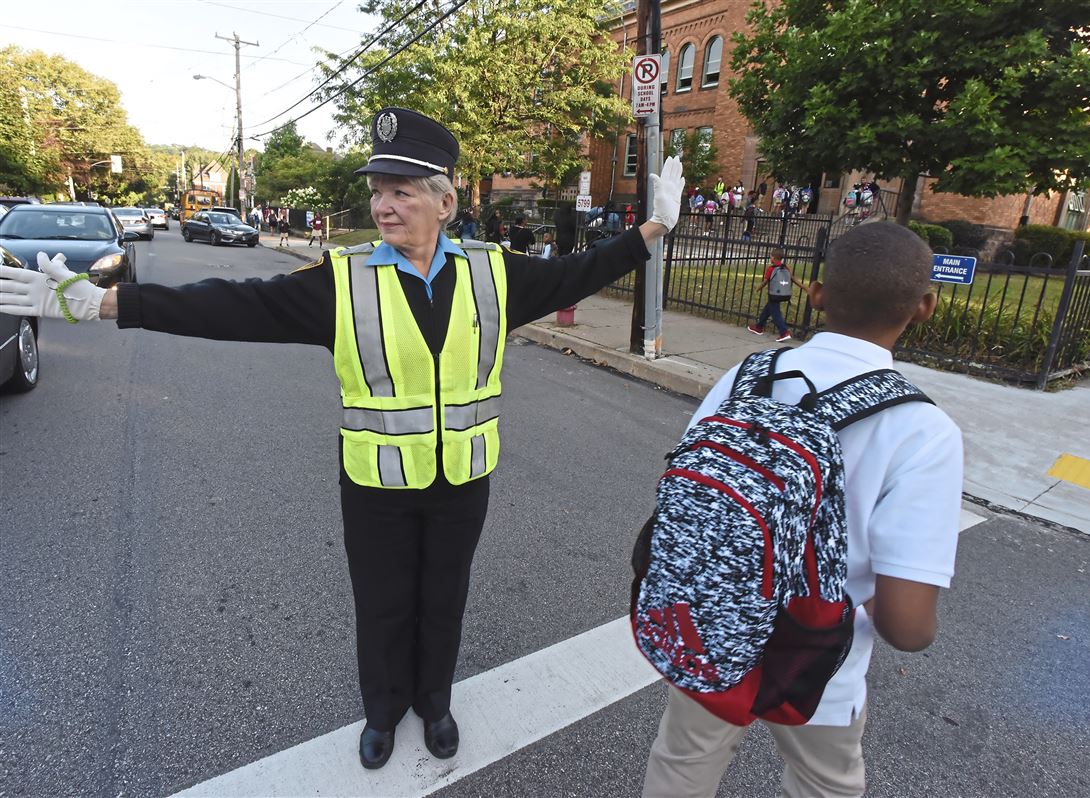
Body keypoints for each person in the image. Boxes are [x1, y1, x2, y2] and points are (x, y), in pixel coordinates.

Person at [0, 106, 687, 774]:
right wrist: (106, 302)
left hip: (463, 480)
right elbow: (234, 305)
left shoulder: (494, 272)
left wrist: (654, 226)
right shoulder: (343, 280)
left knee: (444, 599)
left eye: (401, 191)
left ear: (445, 202)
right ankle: (382, 714)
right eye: (379, 191)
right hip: (375, 485)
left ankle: (435, 705)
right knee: (384, 605)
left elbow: (580, 271)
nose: (384, 206)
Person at [642, 221, 963, 798]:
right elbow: (907, 627)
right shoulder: (922, 430)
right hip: (818, 666)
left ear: (815, 294)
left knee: (683, 763)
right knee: (824, 783)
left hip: (713, 628)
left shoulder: (748, 378)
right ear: (924, 308)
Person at [747, 248, 808, 341]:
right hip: (784, 293)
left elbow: (765, 281)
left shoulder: (771, 269)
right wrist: (804, 287)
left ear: (773, 258)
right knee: (768, 309)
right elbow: (793, 279)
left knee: (775, 313)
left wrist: (758, 288)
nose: (770, 258)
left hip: (773, 294)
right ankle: (759, 327)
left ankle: (784, 332)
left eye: (771, 256)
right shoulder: (786, 268)